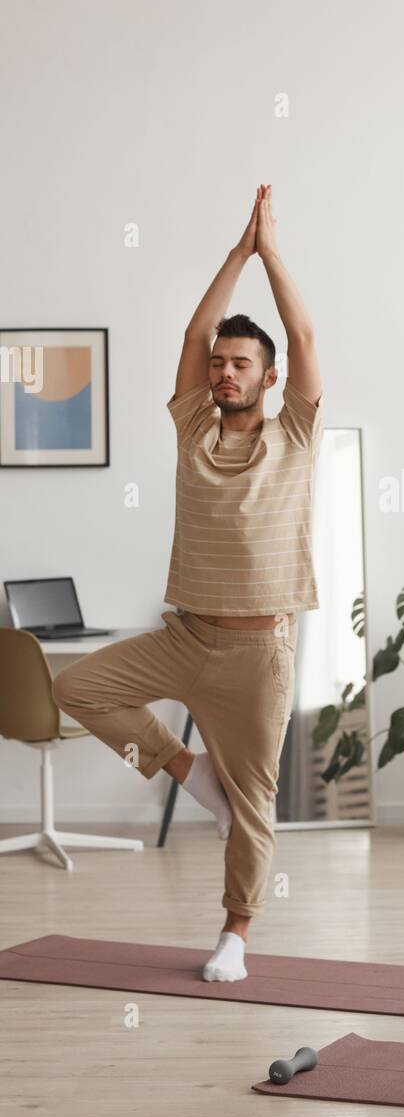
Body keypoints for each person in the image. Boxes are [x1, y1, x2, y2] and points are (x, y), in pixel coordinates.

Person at [53, 185, 324, 983]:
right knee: (79, 689)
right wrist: (233, 252)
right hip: (185, 637)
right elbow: (194, 329)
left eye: (242, 364)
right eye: (220, 365)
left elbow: (303, 331)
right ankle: (185, 770)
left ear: (270, 379)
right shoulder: (192, 429)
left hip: (258, 652)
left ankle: (235, 934)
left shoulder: (296, 436)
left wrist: (270, 252)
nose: (225, 372)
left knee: (254, 804)